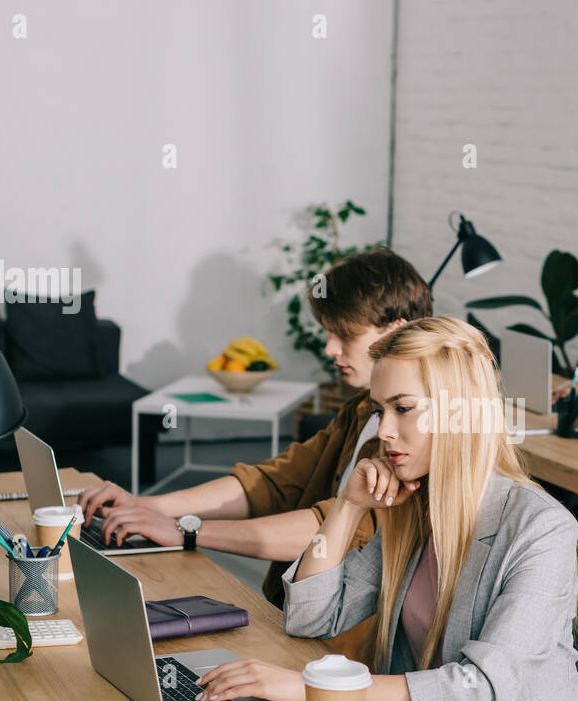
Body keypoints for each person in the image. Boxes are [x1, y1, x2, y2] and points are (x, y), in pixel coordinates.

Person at [195, 316, 578, 701]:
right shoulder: (413, 508)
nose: (383, 432)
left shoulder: (541, 530)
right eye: (380, 411)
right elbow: (311, 616)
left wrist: (314, 687)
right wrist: (349, 509)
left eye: (403, 409)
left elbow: (478, 692)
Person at [77, 247, 433, 623]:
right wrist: (148, 506)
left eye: (344, 334)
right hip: (296, 610)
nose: (330, 348)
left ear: (397, 332)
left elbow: (328, 528)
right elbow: (272, 482)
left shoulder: (410, 442)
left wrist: (187, 532)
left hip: (344, 636)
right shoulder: (361, 410)